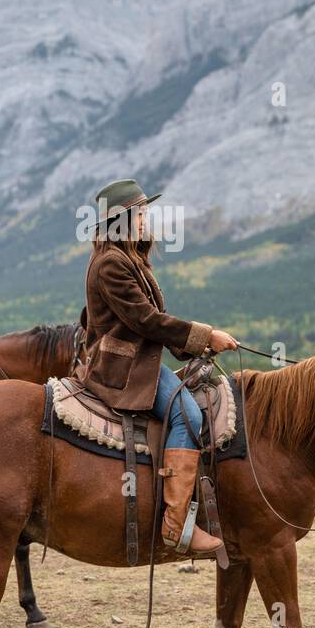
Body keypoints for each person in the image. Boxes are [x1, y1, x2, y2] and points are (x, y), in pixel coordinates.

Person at [77, 179, 238, 556]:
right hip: (121, 367)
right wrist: (206, 335)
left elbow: (154, 320)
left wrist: (193, 349)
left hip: (140, 359)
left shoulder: (130, 257)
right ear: (123, 219)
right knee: (188, 416)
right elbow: (146, 321)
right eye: (142, 213)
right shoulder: (111, 264)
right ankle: (177, 524)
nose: (147, 219)